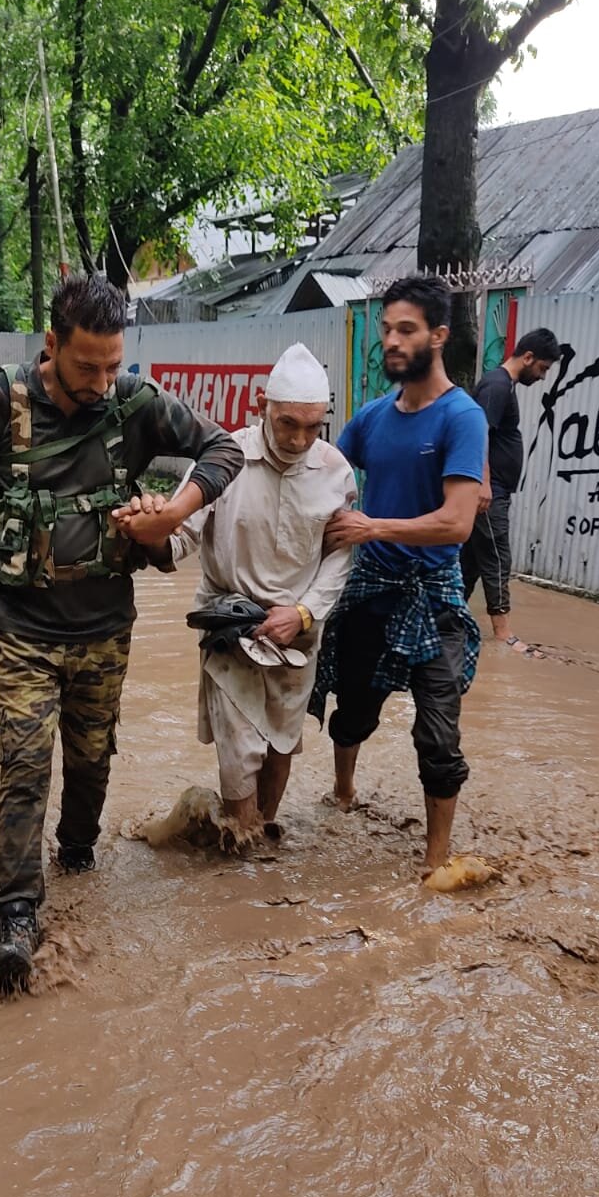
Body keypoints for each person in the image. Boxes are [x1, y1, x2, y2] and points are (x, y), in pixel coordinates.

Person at [0, 273, 243, 988]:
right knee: (22, 764)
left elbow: (225, 448)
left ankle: (76, 855)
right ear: (51, 345)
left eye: (114, 364)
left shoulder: (136, 404)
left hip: (105, 626)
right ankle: (16, 914)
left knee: (92, 757)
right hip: (17, 624)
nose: (103, 382)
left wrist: (174, 511)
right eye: (87, 367)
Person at [311, 275, 487, 879]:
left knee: (438, 738)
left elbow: (456, 523)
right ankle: (343, 794)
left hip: (435, 600)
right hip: (371, 595)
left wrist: (373, 527)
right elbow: (321, 478)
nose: (390, 341)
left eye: (405, 330)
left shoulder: (462, 417)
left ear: (438, 336)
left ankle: (436, 863)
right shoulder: (371, 417)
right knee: (353, 711)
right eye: (386, 330)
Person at [167, 343, 356, 834]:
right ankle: (241, 857)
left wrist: (305, 613)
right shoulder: (222, 459)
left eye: (312, 427)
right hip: (232, 628)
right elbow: (180, 533)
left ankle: (259, 837)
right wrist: (148, 537)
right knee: (238, 750)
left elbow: (339, 556)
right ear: (260, 406)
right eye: (287, 423)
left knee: (281, 741)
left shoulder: (336, 472)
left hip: (297, 633)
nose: (298, 439)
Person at [461, 327, 561, 655]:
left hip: (492, 488)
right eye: (543, 368)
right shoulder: (497, 385)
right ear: (528, 357)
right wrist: (485, 484)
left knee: (473, 560)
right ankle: (503, 634)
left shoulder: (504, 385)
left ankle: (446, 619)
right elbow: (479, 435)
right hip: (489, 490)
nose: (543, 376)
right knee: (497, 554)